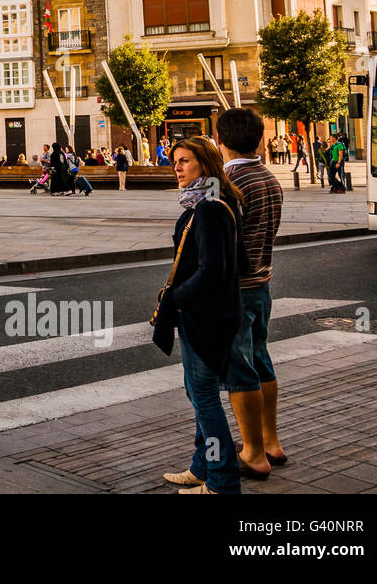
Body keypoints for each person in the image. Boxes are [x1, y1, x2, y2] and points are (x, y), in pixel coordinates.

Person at [155, 137, 246, 495]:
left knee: (204, 397)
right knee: (198, 393)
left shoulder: (209, 208)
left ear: (204, 166)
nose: (176, 168)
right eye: (175, 161)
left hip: (204, 316)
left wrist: (177, 297)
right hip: (212, 313)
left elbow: (213, 269)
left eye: (185, 162)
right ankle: (202, 467)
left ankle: (222, 480)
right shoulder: (214, 203)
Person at [214, 108, 286, 481]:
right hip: (262, 282)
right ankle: (271, 441)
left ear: (220, 141)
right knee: (261, 360)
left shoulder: (230, 182)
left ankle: (254, 453)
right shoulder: (269, 178)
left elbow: (220, 242)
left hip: (235, 290)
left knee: (240, 370)